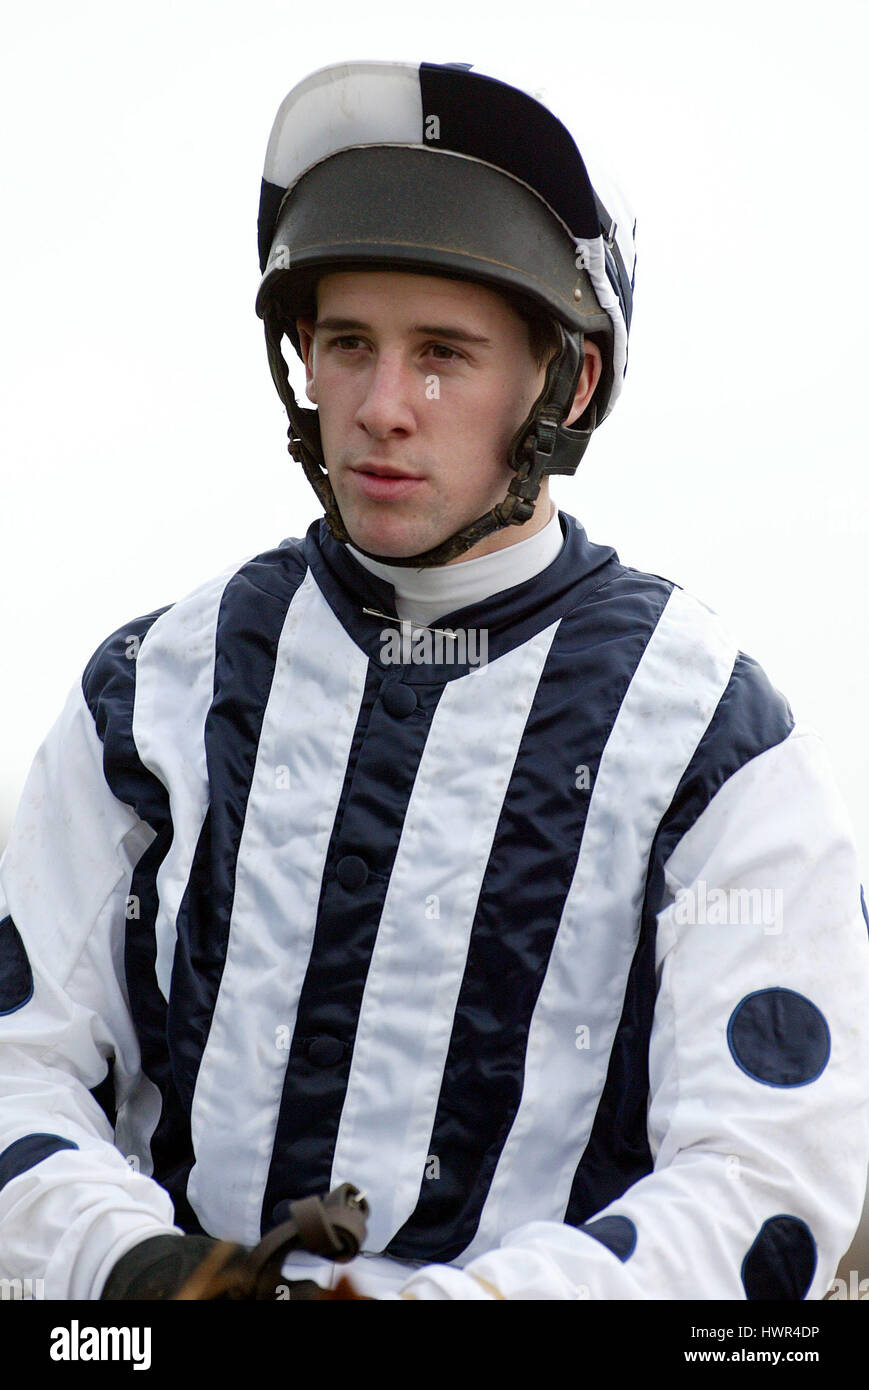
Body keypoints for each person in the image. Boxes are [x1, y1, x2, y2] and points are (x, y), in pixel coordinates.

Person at [1, 58, 868, 1302]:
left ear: (564, 382)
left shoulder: (717, 738)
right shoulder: (155, 688)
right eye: (347, 345)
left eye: (442, 355)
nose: (379, 408)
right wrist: (136, 1269)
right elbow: (18, 1065)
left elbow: (767, 1174)